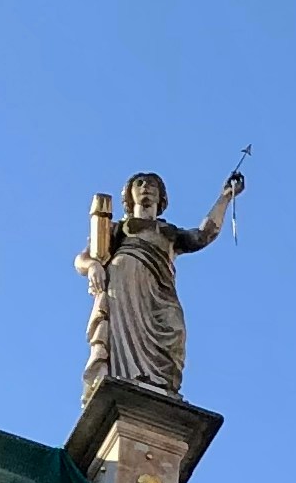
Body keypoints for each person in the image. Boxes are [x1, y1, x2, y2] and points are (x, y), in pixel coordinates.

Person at [76, 167, 245, 395]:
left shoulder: (169, 232)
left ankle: (162, 387)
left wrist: (225, 197)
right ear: (129, 195)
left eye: (152, 185)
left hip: (161, 288)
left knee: (174, 331)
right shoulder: (119, 228)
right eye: (140, 184)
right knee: (124, 338)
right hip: (125, 285)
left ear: (161, 196)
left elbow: (204, 235)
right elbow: (83, 258)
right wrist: (93, 266)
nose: (146, 188)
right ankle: (126, 379)